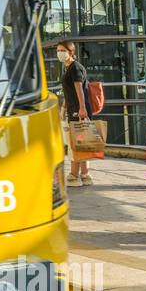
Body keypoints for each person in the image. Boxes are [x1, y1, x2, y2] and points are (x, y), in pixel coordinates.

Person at [56, 40, 94, 186]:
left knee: (76, 143)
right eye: (58, 51)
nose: (59, 53)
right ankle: (85, 175)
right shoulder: (70, 68)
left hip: (78, 111)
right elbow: (69, 92)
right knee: (82, 143)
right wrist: (64, 108)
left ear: (71, 52)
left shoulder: (75, 68)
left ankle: (74, 175)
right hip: (76, 109)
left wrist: (82, 108)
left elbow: (79, 90)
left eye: (62, 50)